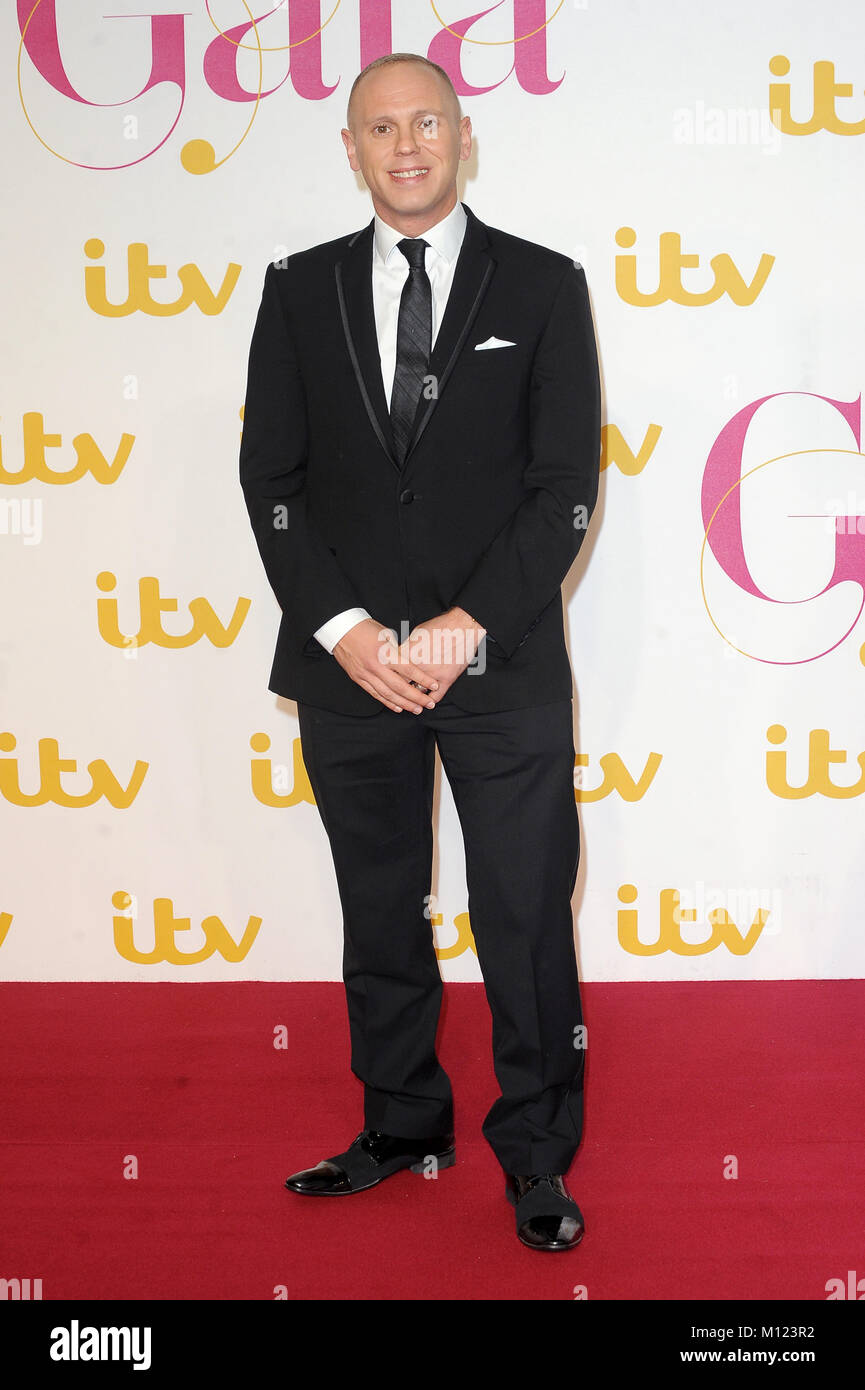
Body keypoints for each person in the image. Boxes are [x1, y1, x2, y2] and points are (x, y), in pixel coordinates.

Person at [239, 51, 601, 1252]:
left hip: (499, 664)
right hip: (350, 671)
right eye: (379, 128)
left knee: (521, 914)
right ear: (351, 150)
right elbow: (273, 481)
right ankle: (401, 1123)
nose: (405, 144)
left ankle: (537, 1154)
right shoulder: (295, 291)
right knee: (378, 910)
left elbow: (561, 490)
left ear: (463, 137)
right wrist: (343, 632)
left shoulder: (544, 286)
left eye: (426, 122)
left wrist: (464, 626)